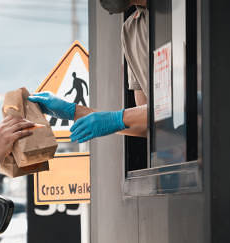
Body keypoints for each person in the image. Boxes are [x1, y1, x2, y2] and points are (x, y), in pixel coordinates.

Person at [29, 0, 148, 143]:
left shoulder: (179, 11)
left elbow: (171, 111)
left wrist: (116, 119)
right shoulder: (132, 29)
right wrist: (74, 111)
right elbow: (147, 124)